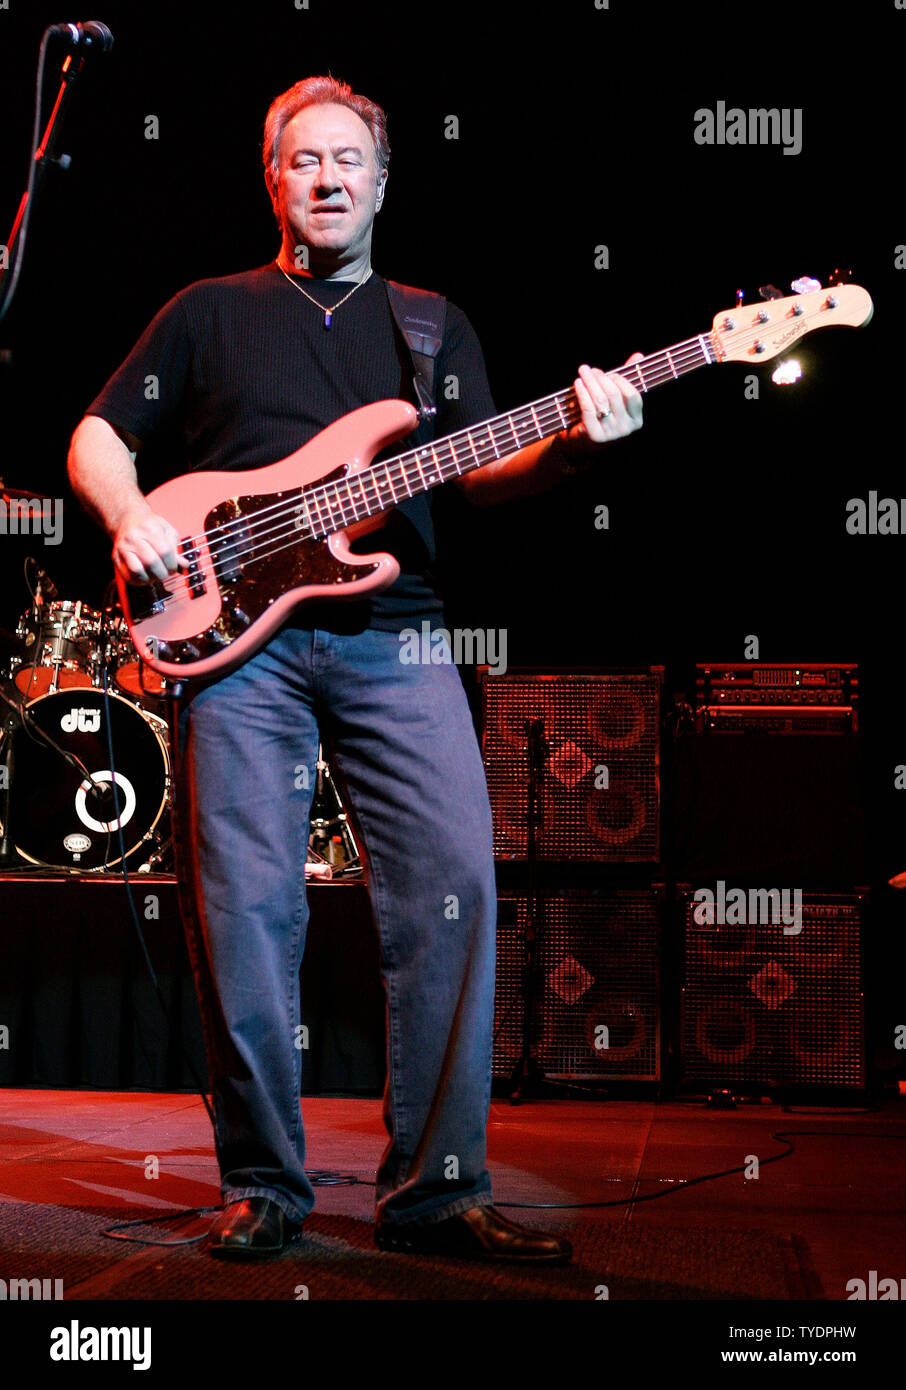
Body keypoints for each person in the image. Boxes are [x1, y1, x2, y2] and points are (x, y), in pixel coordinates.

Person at [67, 76, 643, 1264]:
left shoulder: (431, 325)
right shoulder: (205, 311)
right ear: (269, 178)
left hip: (401, 634)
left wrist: (576, 446)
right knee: (245, 908)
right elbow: (97, 433)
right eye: (303, 160)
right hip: (237, 649)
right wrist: (129, 515)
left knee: (456, 891)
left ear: (384, 182)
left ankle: (435, 1192)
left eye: (349, 161)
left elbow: (484, 472)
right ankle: (265, 1186)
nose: (326, 179)